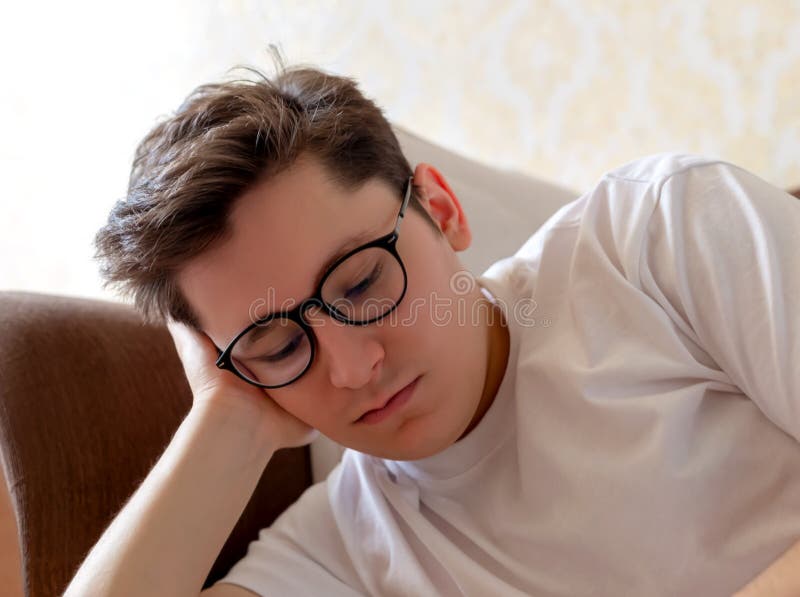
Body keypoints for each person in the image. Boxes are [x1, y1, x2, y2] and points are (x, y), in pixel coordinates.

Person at [65, 58, 800, 597]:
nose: (352, 368)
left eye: (360, 281)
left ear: (441, 210)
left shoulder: (656, 234)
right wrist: (227, 420)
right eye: (281, 343)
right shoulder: (344, 547)